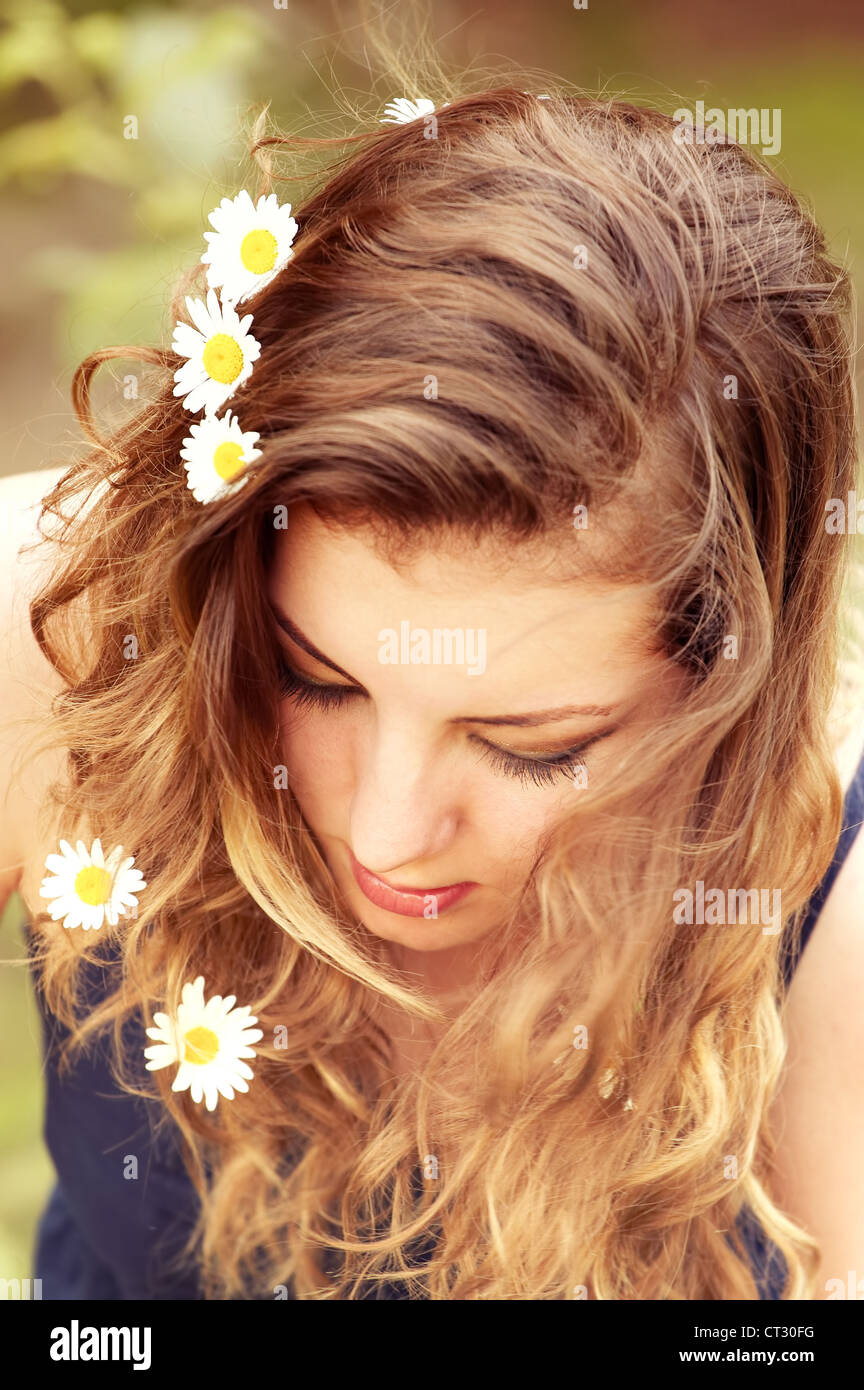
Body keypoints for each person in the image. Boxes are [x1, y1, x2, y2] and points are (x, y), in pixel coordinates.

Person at [1, 83, 863, 1300]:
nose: (387, 831)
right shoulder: (54, 634)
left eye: (530, 743)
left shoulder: (834, 921)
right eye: (313, 675)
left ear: (738, 683)